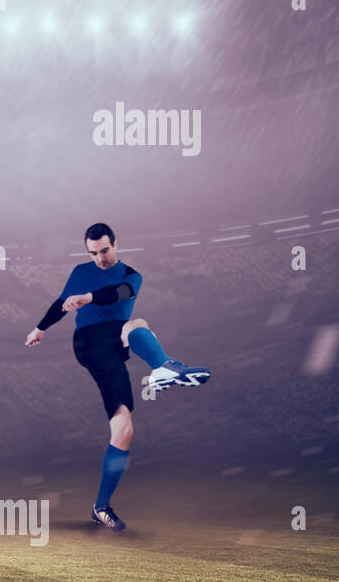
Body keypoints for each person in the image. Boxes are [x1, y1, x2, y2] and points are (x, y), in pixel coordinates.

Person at [24, 223, 211, 530]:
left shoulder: (132, 276)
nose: (99, 258)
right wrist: (41, 328)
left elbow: (118, 293)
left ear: (115, 244)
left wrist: (87, 297)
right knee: (136, 323)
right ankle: (163, 367)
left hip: (114, 347)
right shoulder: (80, 272)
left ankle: (101, 506)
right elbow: (61, 304)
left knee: (123, 429)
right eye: (93, 253)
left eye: (105, 250)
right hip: (89, 342)